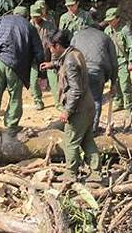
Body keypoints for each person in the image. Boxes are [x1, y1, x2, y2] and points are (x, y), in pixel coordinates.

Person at [40, 30, 101, 182]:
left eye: (50, 47)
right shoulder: (73, 53)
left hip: (78, 109)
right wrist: (52, 65)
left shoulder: (69, 61)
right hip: (89, 106)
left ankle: (71, 174)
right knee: (87, 140)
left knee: (71, 142)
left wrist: (67, 111)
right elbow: (64, 64)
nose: (50, 50)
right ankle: (96, 173)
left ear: (57, 46)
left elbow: (75, 90)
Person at [0, 10, 44, 137]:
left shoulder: (0, 20)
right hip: (17, 66)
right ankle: (11, 127)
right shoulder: (29, 26)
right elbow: (39, 51)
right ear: (27, 16)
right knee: (15, 96)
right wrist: (42, 73)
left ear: (14, 13)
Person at [71, 27, 118, 133]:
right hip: (97, 72)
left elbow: (69, 55)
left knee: (78, 99)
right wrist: (113, 83)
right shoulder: (105, 37)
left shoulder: (77, 36)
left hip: (79, 72)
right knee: (96, 100)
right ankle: (92, 130)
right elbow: (114, 62)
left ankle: (78, 129)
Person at [104, 7, 132, 130]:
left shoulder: (124, 29)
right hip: (113, 62)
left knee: (125, 84)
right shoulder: (107, 31)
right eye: (108, 20)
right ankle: (119, 102)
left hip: (123, 61)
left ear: (117, 19)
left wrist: (131, 62)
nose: (109, 22)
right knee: (115, 83)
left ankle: (129, 106)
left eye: (111, 20)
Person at [29, 4, 57, 110]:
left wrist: (54, 60)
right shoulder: (28, 26)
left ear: (41, 15)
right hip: (34, 60)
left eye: (37, 16)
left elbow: (55, 42)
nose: (36, 19)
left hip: (48, 58)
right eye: (33, 16)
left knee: (54, 82)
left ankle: (59, 103)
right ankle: (38, 101)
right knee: (34, 81)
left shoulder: (49, 25)